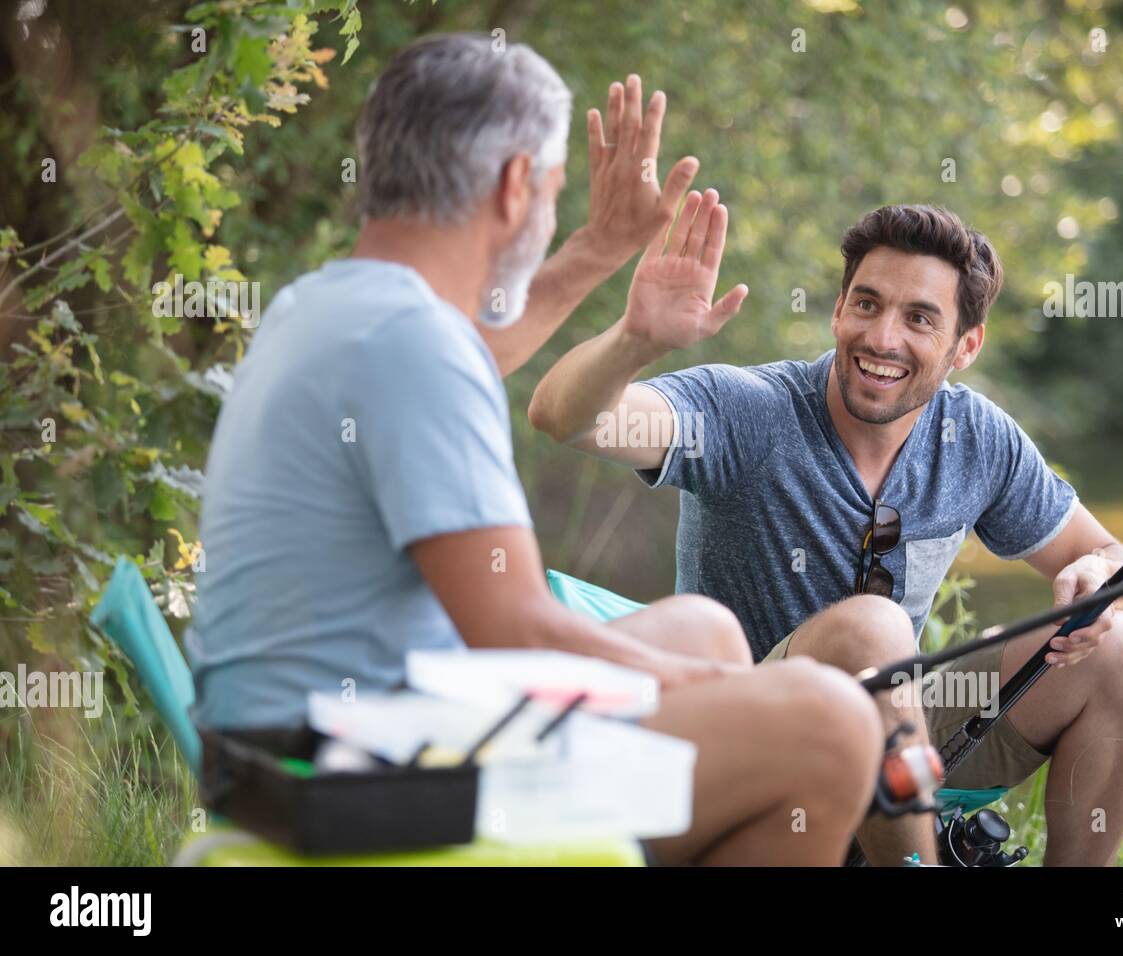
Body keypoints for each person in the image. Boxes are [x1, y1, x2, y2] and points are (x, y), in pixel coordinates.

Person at [187, 33, 884, 866]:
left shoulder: (331, 309)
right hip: (356, 772)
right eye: (554, 192)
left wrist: (598, 248)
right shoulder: (412, 346)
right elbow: (511, 627)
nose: (552, 210)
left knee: (701, 627)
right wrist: (729, 694)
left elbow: (464, 359)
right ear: (518, 184)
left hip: (283, 748)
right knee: (828, 723)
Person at [529, 200, 1123, 866]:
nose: (884, 338)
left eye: (919, 318)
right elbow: (565, 418)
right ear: (838, 312)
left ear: (966, 347)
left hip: (901, 735)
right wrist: (637, 338)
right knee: (872, 629)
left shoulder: (977, 438)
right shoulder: (749, 412)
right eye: (867, 305)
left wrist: (1102, 585)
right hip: (750, 738)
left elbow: (1115, 562)